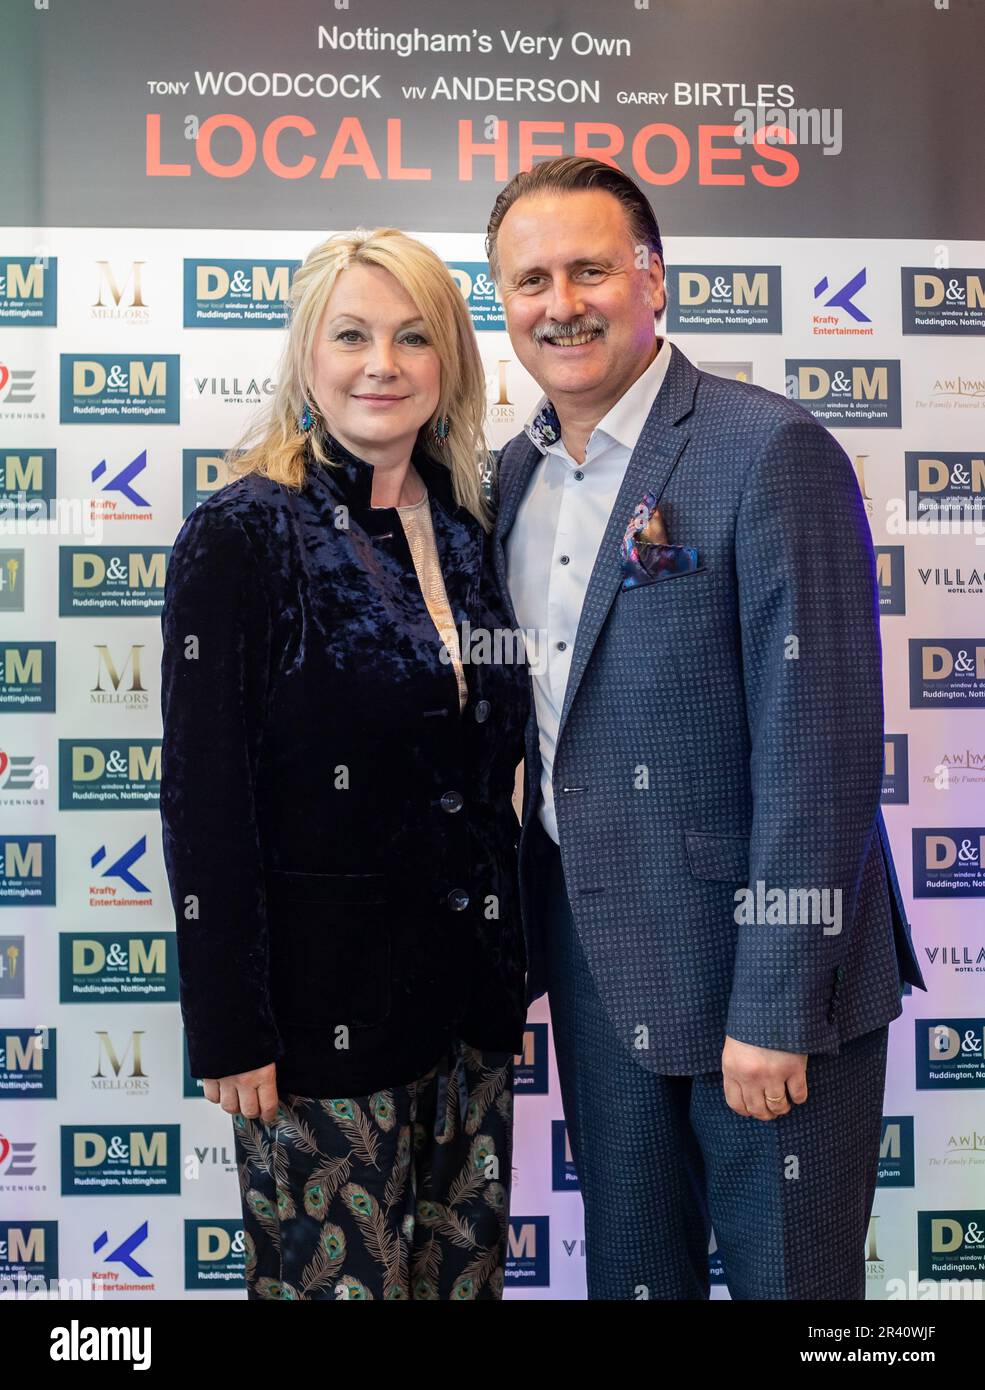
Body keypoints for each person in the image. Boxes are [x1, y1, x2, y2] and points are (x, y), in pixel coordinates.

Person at [486, 156, 926, 1300]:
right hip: (596, 970)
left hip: (763, 977)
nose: (561, 301)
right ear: (502, 302)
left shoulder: (766, 451)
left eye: (591, 268)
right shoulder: (507, 480)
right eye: (530, 278)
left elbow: (821, 750)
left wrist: (776, 1004)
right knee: (634, 1282)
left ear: (655, 280)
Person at [159, 227, 530, 1301]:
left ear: (449, 361)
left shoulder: (467, 527)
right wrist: (230, 1029)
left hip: (466, 1011)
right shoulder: (244, 532)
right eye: (353, 335)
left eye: (415, 337)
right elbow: (204, 801)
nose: (383, 363)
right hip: (316, 1025)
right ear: (306, 358)